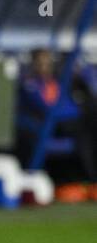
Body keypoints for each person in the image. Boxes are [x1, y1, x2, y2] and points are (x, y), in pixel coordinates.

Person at [17, 48, 97, 202]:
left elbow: (69, 107)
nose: (44, 67)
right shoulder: (30, 84)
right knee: (85, 132)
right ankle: (91, 178)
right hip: (48, 127)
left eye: (47, 63)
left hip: (68, 124)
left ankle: (90, 180)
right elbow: (45, 108)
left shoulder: (56, 84)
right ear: (33, 64)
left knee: (90, 128)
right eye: (40, 63)